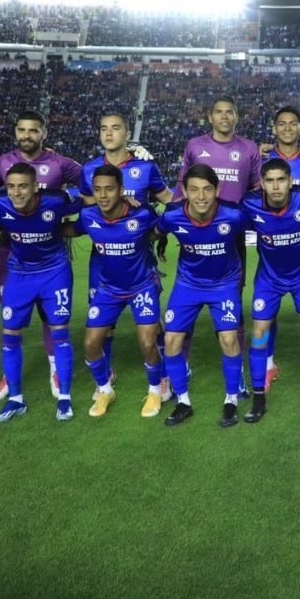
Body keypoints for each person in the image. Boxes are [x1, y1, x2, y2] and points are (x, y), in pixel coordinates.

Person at [0, 163, 84, 422]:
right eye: (11, 186)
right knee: (10, 334)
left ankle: (65, 398)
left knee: (60, 332)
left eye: (23, 186)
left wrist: (127, 199)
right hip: (19, 274)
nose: (16, 193)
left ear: (36, 187)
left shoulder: (57, 200)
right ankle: (15, 399)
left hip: (54, 272)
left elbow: (90, 203)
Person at [0, 111, 82, 404]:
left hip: (50, 248)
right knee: (10, 311)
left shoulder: (60, 163)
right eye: (22, 130)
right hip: (10, 249)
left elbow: (90, 181)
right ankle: (8, 375)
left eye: (33, 130)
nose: (27, 135)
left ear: (43, 133)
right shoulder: (2, 162)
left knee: (52, 313)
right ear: (15, 131)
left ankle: (54, 367)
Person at [78, 112, 171, 396]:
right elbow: (84, 201)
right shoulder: (90, 168)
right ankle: (106, 375)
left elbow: (167, 198)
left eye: (115, 128)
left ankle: (166, 370)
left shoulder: (145, 165)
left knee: (152, 320)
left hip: (139, 254)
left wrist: (170, 225)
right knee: (104, 319)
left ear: (127, 133)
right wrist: (114, 197)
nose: (109, 134)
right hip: (103, 255)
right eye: (104, 128)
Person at [62, 165, 166, 418]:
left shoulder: (141, 214)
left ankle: (156, 389)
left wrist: (159, 247)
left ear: (121, 190)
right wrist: (33, 227)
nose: (103, 195)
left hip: (141, 286)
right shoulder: (88, 216)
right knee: (90, 344)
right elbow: (69, 230)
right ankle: (105, 389)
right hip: (108, 289)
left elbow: (162, 227)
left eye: (109, 189)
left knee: (147, 342)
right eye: (98, 190)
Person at [157, 164, 250, 428]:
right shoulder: (174, 215)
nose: (200, 196)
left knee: (229, 338)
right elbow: (155, 231)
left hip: (224, 284)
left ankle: (231, 399)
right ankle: (183, 402)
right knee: (172, 340)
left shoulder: (233, 214)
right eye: (194, 190)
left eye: (207, 189)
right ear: (184, 191)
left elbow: (266, 223)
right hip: (188, 284)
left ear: (217, 190)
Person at [242, 158, 300, 423]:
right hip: (270, 278)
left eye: (281, 180)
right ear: (262, 184)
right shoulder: (250, 203)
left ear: (290, 181)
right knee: (258, 335)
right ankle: (258, 399)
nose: (276, 187)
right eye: (270, 181)